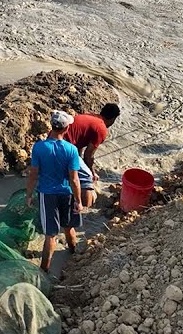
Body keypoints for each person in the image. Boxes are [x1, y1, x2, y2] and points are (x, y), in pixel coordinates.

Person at [24, 111, 83, 273]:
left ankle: (45, 269)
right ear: (66, 129)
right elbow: (74, 179)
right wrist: (78, 200)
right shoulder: (72, 149)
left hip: (47, 194)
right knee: (69, 226)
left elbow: (33, 174)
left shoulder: (39, 147)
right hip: (67, 193)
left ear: (52, 127)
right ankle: (74, 253)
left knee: (50, 234)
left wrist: (28, 195)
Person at [64, 103, 121, 208]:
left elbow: (78, 141)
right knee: (87, 177)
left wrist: (79, 162)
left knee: (73, 172)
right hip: (64, 148)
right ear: (113, 119)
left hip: (54, 141)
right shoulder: (101, 128)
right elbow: (88, 155)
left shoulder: (89, 116)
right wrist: (92, 172)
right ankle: (86, 209)